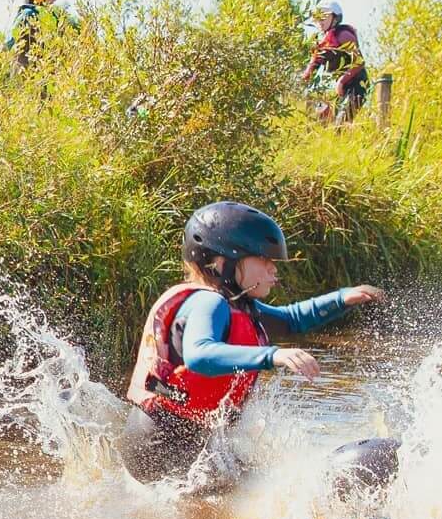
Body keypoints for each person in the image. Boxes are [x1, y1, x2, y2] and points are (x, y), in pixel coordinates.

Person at [121, 201, 390, 489]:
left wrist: (342, 298)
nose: (274, 269)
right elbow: (200, 355)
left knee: (250, 486)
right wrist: (273, 355)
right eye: (264, 260)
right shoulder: (208, 302)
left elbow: (291, 320)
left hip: (186, 437)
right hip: (159, 441)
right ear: (223, 264)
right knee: (246, 494)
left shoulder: (239, 306)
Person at [301, 0, 368, 123]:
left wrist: (341, 82)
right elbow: (311, 68)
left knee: (341, 124)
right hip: (339, 90)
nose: (320, 20)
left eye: (325, 16)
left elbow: (359, 62)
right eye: (317, 17)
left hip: (357, 85)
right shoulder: (322, 42)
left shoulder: (343, 35)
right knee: (325, 122)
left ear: (335, 18)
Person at [6, 0, 75, 69]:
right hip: (24, 76)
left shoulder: (51, 17)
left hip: (44, 75)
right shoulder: (28, 14)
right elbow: (8, 43)